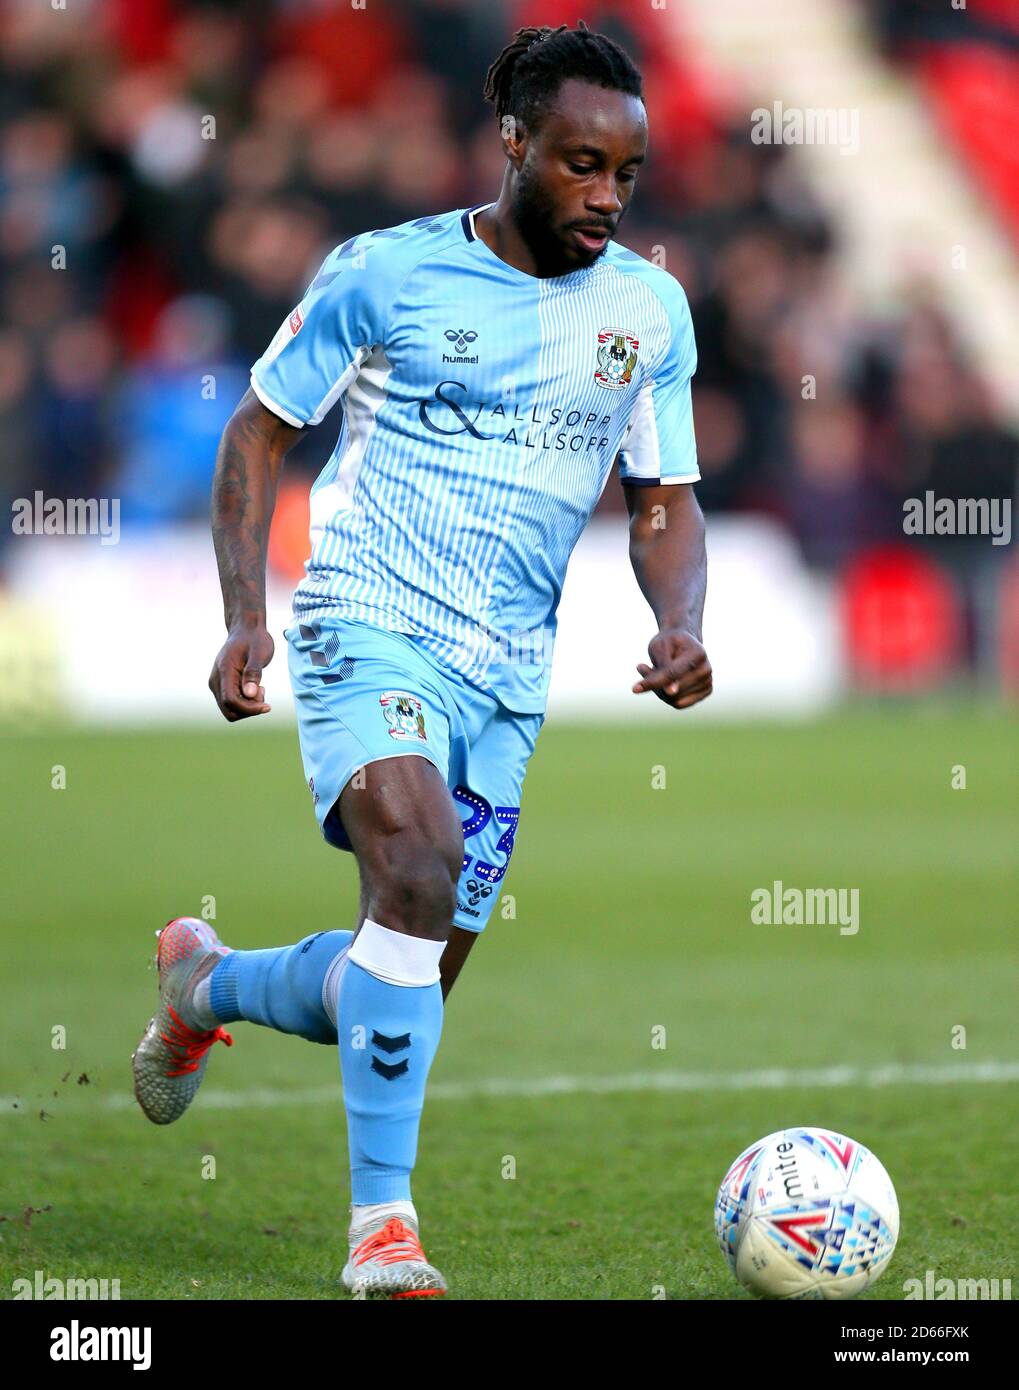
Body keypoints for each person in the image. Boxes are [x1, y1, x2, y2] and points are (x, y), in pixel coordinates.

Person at [132, 21, 712, 1299]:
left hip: (509, 672)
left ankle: (205, 984)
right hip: (366, 618)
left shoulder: (647, 310)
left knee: (398, 969)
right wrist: (244, 612)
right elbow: (259, 428)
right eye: (579, 166)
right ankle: (381, 1229)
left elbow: (662, 496)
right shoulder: (383, 275)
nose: (607, 198)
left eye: (626, 172)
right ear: (511, 144)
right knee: (420, 861)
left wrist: (680, 619)